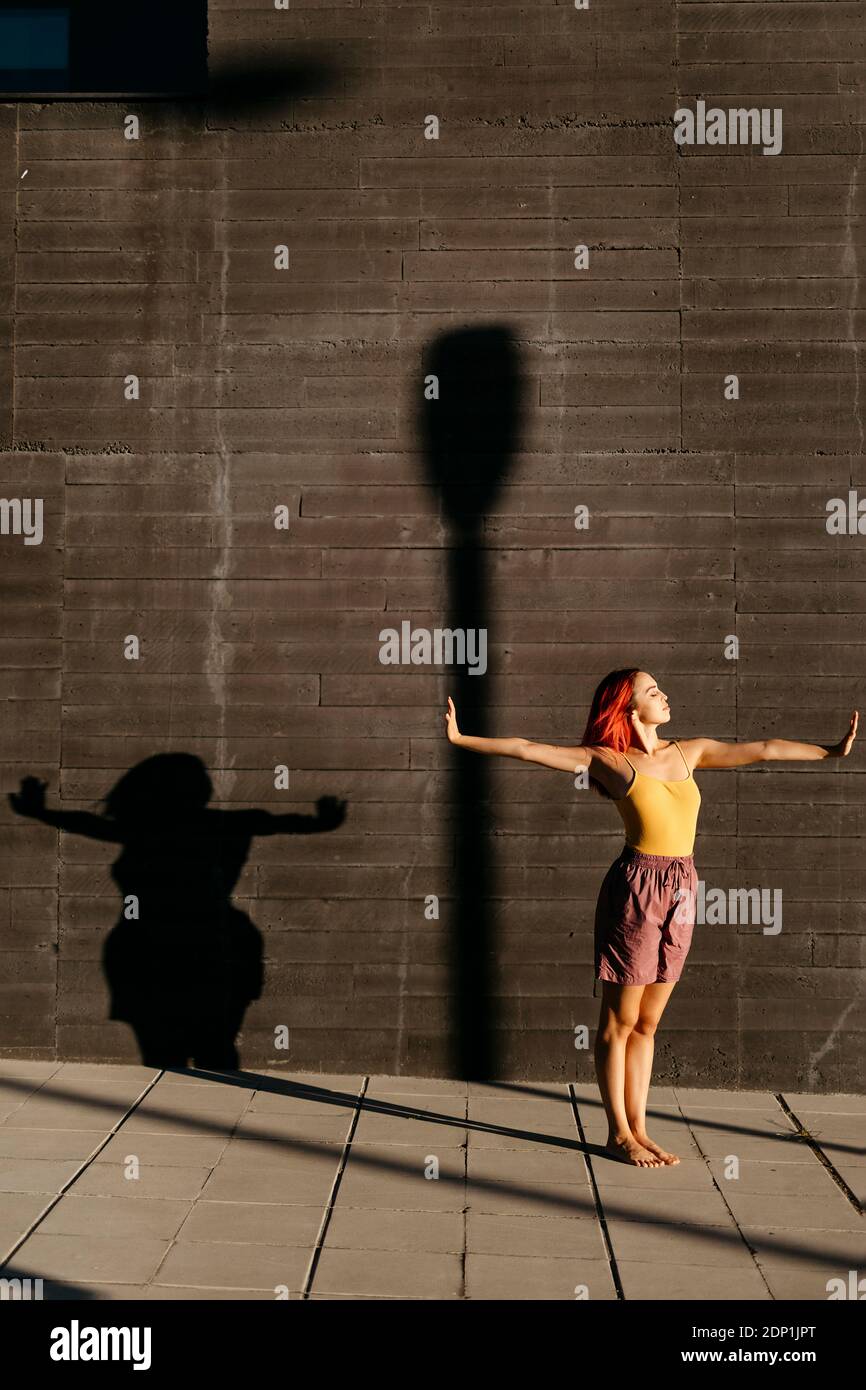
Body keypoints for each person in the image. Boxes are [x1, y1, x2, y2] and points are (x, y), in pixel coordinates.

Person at [444, 670, 858, 1168]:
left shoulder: (691, 751)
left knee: (648, 1022)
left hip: (683, 889)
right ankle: (617, 1132)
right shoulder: (610, 762)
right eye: (653, 691)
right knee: (619, 1021)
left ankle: (639, 1128)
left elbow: (765, 748)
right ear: (628, 707)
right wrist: (460, 737)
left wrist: (829, 751)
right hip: (636, 889)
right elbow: (529, 748)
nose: (664, 696)